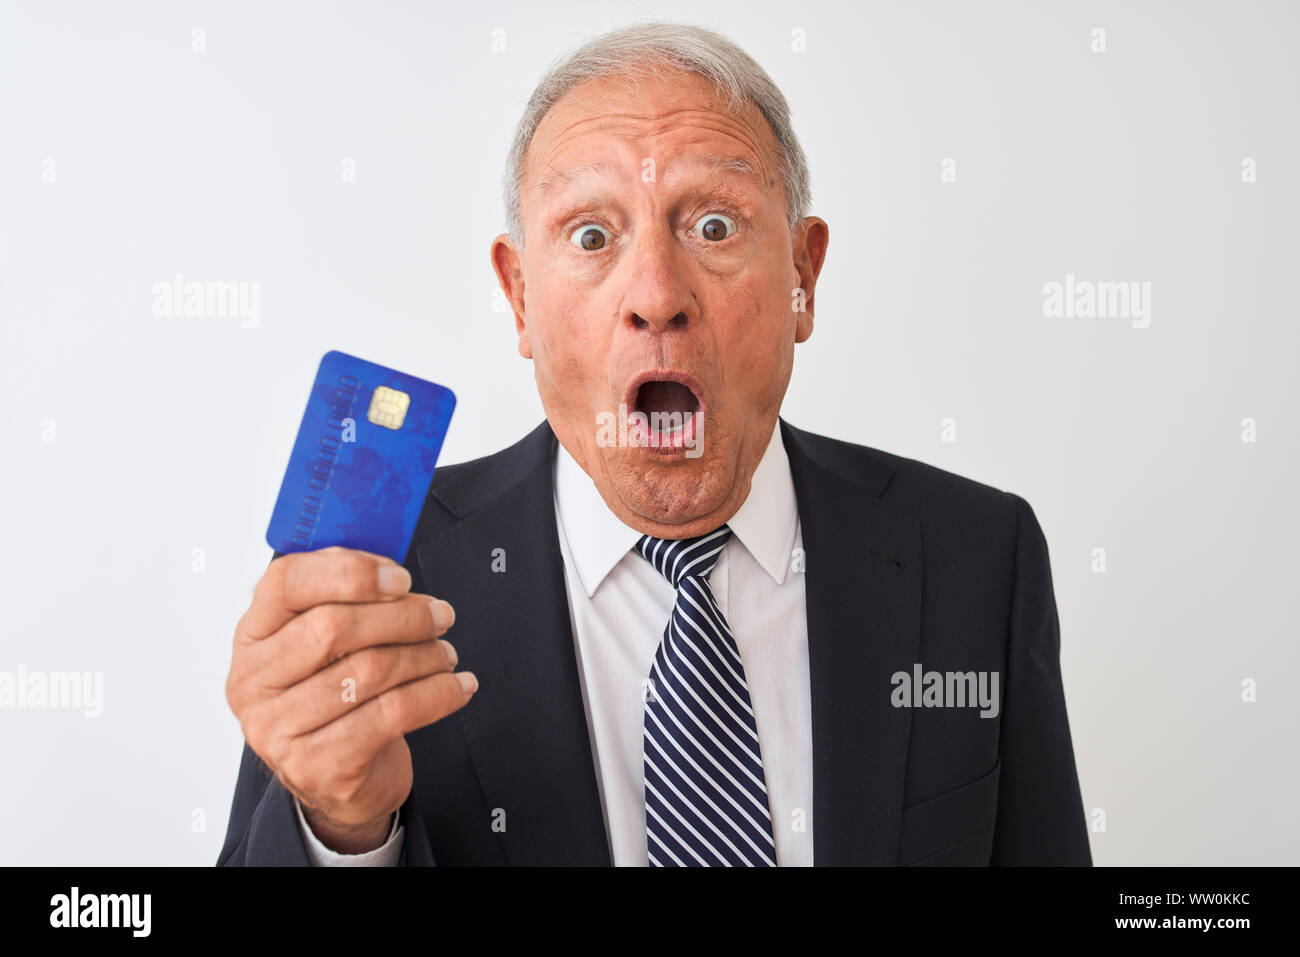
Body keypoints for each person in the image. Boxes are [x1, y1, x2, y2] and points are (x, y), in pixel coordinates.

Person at [219, 21, 1090, 866]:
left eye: (713, 226)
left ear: (803, 278)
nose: (656, 294)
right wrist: (344, 832)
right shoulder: (370, 580)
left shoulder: (980, 554)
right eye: (592, 236)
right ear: (520, 299)